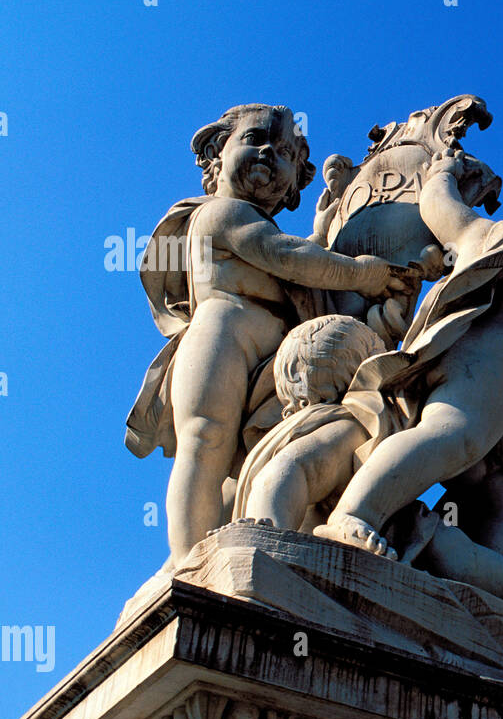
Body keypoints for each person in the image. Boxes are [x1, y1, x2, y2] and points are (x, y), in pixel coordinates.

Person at [126, 103, 415, 567]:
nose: (268, 153)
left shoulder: (259, 222)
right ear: (217, 153)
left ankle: (231, 540)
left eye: (283, 152)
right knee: (206, 441)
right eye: (255, 139)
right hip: (221, 338)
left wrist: (322, 234)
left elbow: (301, 266)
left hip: (271, 362)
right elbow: (286, 257)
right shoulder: (221, 214)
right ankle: (185, 561)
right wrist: (361, 275)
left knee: (238, 468)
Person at [313, 150, 503, 560]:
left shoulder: (499, 237)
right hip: (495, 372)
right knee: (448, 438)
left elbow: (438, 207)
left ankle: (478, 572)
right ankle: (355, 515)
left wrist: (445, 169)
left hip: (442, 346)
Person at [234, 314, 503, 627]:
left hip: (392, 530)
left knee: (452, 550)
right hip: (337, 534)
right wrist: (268, 540)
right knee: (453, 552)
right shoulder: (346, 423)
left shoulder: (366, 424)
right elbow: (288, 472)